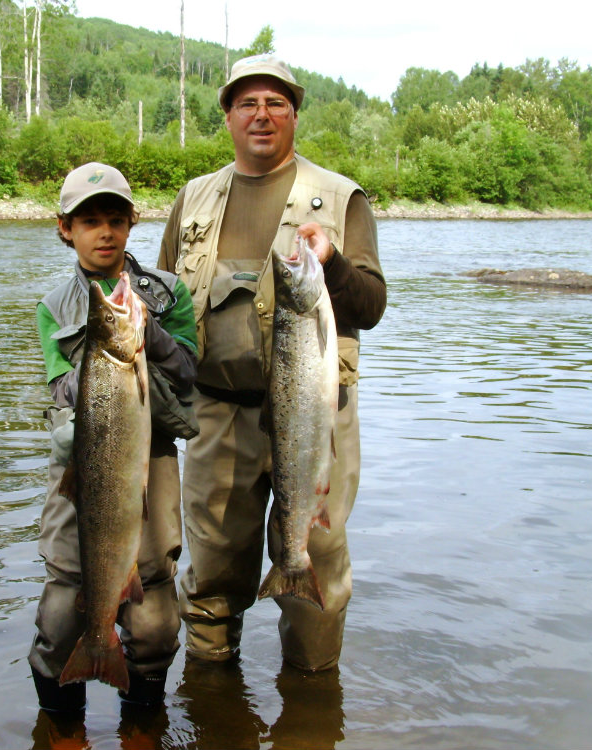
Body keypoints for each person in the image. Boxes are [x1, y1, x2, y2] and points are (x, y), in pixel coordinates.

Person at [157, 55, 387, 671]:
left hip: (315, 419)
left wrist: (332, 262)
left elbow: (371, 307)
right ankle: (210, 702)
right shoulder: (193, 198)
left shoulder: (340, 198)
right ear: (228, 115)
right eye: (247, 104)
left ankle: (312, 707)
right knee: (207, 576)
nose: (262, 115)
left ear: (294, 114)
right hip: (216, 420)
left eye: (276, 103)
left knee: (316, 567)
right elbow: (166, 309)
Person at [29, 162, 198, 712]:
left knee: (152, 620)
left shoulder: (169, 294)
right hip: (82, 462)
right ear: (65, 229)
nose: (105, 232)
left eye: (115, 220)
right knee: (60, 615)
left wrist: (149, 332)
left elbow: (192, 370)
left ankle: (142, 725)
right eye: (90, 221)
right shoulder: (53, 307)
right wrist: (108, 346)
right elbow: (61, 389)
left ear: (132, 223)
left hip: (148, 462)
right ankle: (63, 727)